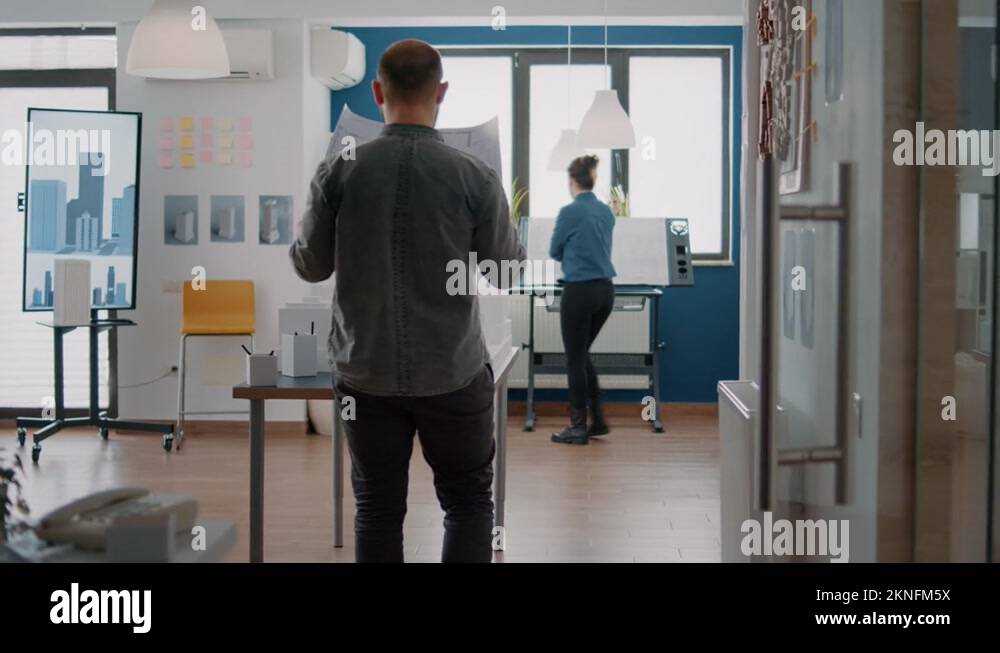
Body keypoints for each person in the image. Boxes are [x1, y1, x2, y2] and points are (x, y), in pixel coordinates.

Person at [290, 39, 524, 563]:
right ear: (441, 92)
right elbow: (504, 271)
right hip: (454, 372)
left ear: (377, 92)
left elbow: (310, 264)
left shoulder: (339, 171)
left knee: (376, 507)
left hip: (364, 374)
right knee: (467, 503)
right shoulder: (474, 175)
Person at [548, 155, 617, 446]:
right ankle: (598, 420)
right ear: (593, 179)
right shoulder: (606, 212)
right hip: (605, 291)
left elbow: (554, 250)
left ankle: (578, 427)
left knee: (575, 359)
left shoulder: (569, 212)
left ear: (571, 181)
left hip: (579, 291)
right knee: (582, 354)